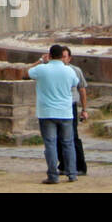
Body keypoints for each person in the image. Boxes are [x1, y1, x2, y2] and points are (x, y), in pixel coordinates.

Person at [27, 44, 80, 184]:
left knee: (50, 144)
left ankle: (53, 175)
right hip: (65, 111)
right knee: (68, 143)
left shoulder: (42, 69)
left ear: (49, 55)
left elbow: (27, 71)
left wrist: (40, 60)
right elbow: (75, 83)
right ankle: (72, 173)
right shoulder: (69, 71)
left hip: (47, 111)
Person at [60, 46, 89, 176]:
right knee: (58, 137)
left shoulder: (75, 71)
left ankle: (80, 166)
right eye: (60, 56)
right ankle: (64, 164)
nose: (62, 59)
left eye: (64, 56)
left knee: (73, 136)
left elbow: (82, 90)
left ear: (69, 58)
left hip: (70, 105)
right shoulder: (52, 70)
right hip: (57, 105)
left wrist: (84, 109)